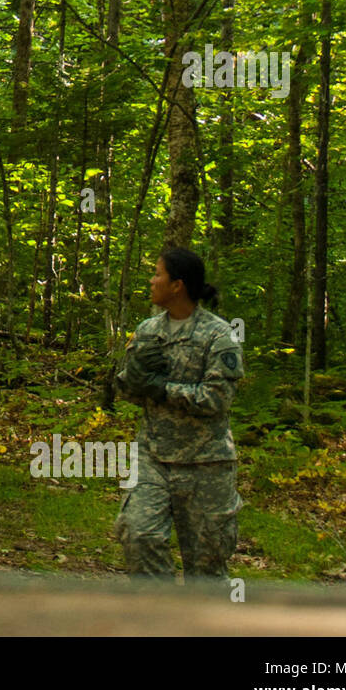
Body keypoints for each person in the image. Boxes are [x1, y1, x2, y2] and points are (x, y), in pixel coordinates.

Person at [113, 246, 245, 582]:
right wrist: (130, 380)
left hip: (206, 465)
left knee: (206, 566)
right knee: (139, 534)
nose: (152, 280)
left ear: (177, 285)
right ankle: (160, 618)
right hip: (154, 456)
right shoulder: (147, 331)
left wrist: (162, 388)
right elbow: (129, 391)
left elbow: (216, 399)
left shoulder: (219, 336)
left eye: (158, 274)